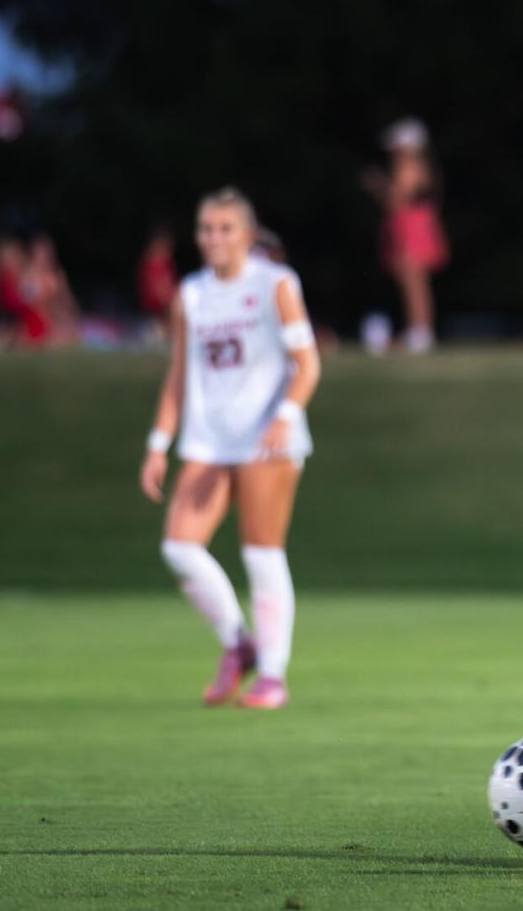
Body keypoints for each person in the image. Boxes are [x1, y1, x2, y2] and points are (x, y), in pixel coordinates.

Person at [138, 187, 321, 710]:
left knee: (261, 552)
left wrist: (284, 417)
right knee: (178, 547)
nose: (213, 238)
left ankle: (272, 674)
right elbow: (178, 375)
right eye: (205, 229)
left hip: (267, 437)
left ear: (246, 233)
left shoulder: (275, 285)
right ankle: (237, 641)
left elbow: (307, 364)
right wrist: (158, 443)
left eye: (224, 228)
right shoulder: (191, 294)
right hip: (209, 439)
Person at [363, 117, 448, 353]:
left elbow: (396, 200)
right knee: (416, 282)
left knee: (412, 281)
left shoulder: (407, 166)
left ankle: (419, 331)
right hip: (417, 222)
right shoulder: (423, 165)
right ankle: (420, 331)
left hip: (409, 225)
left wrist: (377, 184)